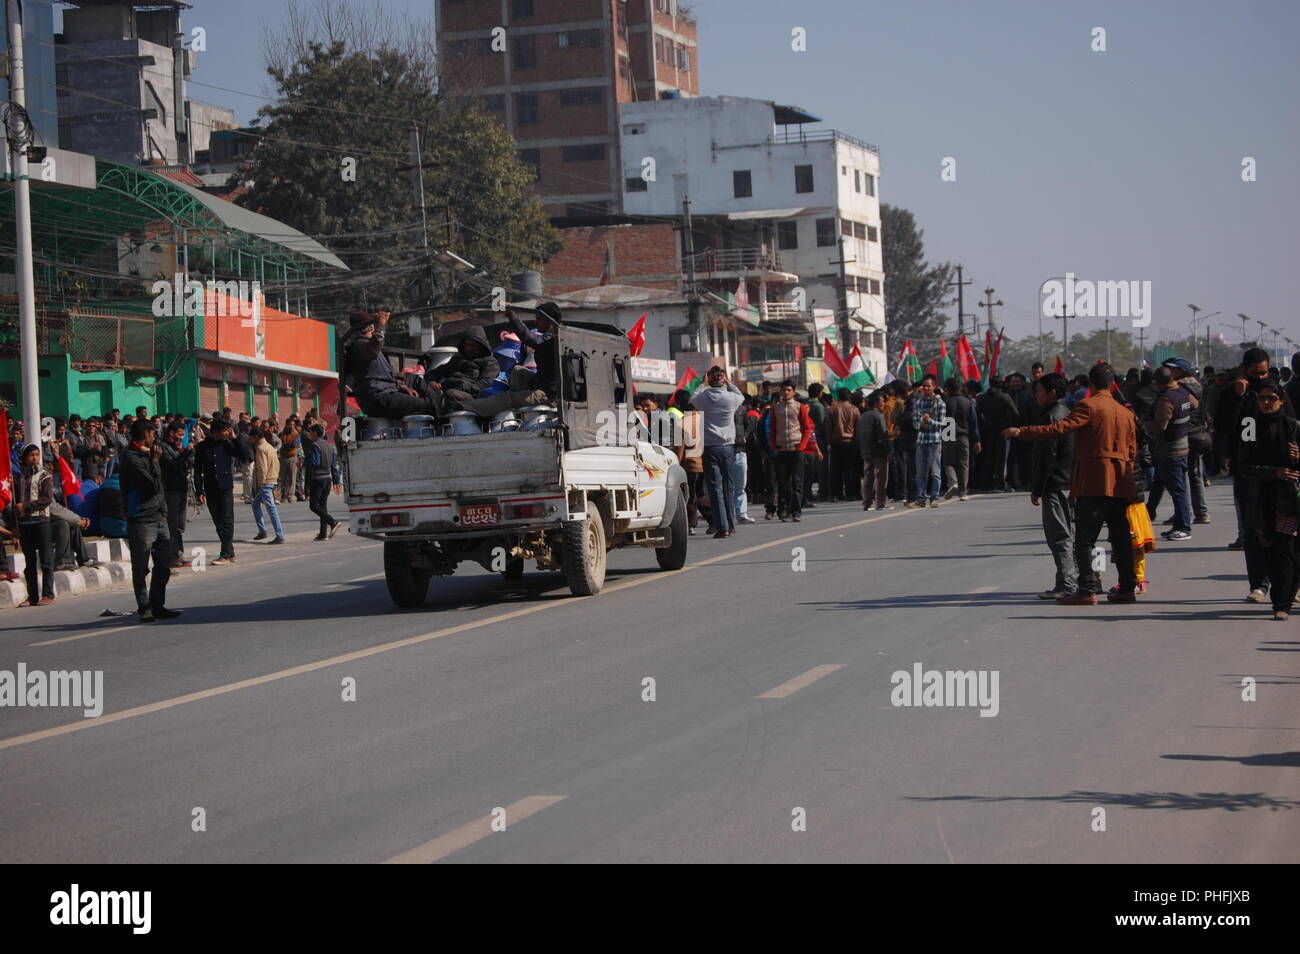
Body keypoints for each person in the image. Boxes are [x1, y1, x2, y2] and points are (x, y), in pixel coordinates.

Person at [1005, 363, 1139, 604]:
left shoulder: (1088, 406)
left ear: (1090, 384)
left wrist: (1021, 432)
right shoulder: (1125, 412)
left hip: (1094, 481)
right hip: (1120, 482)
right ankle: (1127, 588)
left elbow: (1058, 429)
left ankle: (1087, 589)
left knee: (1084, 539)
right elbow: (1132, 450)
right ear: (1112, 384)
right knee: (1120, 537)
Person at [1236, 380, 1300, 619]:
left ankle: (1282, 604)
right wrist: (1275, 472)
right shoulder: (1250, 426)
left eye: (1271, 398)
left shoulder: (1293, 427)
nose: (1266, 402)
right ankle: (1278, 597)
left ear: (1281, 401)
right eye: (1262, 398)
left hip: (1288, 500)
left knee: (1287, 550)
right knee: (1270, 552)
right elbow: (1243, 466)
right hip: (1261, 500)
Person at [119, 420, 179, 621]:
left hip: (159, 515)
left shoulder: (150, 454)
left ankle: (157, 604)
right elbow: (150, 486)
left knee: (163, 564)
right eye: (152, 434)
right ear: (145, 435)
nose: (155, 438)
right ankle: (144, 607)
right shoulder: (131, 459)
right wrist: (154, 461)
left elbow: (165, 480)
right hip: (141, 518)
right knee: (141, 567)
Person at [465, 304, 563, 416]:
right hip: (544, 384)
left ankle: (468, 408)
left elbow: (529, 338)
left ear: (550, 321)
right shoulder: (555, 337)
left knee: (506, 398)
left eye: (539, 319)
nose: (535, 322)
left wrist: (512, 316)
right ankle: (518, 403)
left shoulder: (554, 338)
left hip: (550, 396)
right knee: (517, 370)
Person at [345, 309, 444, 419]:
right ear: (371, 328)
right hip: (379, 397)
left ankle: (440, 402)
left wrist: (403, 387)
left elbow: (388, 376)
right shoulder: (360, 345)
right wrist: (380, 327)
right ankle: (441, 415)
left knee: (414, 379)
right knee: (428, 405)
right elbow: (373, 350)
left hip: (386, 391)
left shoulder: (366, 346)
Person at [1027, 373, 1076, 599]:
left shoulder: (1052, 417)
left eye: (1039, 391)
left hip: (1056, 483)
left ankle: (1067, 584)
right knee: (1070, 534)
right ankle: (1074, 580)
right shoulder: (1067, 413)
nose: (1036, 395)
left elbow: (1047, 457)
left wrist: (1037, 488)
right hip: (1069, 481)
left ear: (1052, 392)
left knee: (1059, 536)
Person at [1143, 365, 1197, 541]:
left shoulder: (1166, 399)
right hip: (1182, 445)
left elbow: (1160, 425)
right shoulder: (1182, 392)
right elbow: (1195, 405)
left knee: (1177, 490)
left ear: (1158, 383)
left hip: (1170, 450)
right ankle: (1177, 524)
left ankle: (1184, 527)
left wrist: (1142, 424)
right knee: (1173, 486)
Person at [691, 366, 745, 538]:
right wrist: (728, 382)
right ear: (724, 379)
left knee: (715, 488)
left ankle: (723, 527)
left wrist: (703, 383)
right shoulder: (731, 398)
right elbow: (741, 395)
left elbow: (693, 397)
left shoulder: (703, 398)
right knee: (729, 486)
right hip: (728, 447)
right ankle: (731, 524)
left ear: (709, 380)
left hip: (710, 447)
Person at [194, 415, 254, 564]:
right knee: (218, 522)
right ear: (215, 431)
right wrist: (199, 491)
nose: (227, 433)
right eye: (224, 431)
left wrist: (235, 439)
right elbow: (197, 471)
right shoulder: (202, 447)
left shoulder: (228, 444)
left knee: (227, 520)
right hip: (210, 488)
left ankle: (225, 554)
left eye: (228, 430)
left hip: (226, 487)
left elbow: (245, 457)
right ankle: (230, 552)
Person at [764, 379, 816, 522]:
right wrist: (774, 446)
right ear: (781, 391)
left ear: (793, 392)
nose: (786, 392)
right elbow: (773, 429)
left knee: (797, 483)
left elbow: (807, 429)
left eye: (789, 390)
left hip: (796, 449)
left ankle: (796, 512)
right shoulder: (775, 409)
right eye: (784, 390)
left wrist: (802, 445)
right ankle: (784, 510)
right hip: (782, 450)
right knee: (783, 483)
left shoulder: (800, 407)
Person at [14, 443, 56, 606]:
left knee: (46, 560)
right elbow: (14, 501)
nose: (35, 458)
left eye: (37, 455)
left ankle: (48, 594)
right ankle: (32, 596)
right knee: (29, 562)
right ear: (24, 458)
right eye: (31, 455)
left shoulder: (44, 476)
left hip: (41, 521)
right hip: (25, 523)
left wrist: (26, 506)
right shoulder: (18, 478)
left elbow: (47, 499)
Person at [423, 325, 500, 406]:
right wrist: (432, 381)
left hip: (472, 397)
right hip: (446, 390)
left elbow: (485, 384)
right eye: (466, 345)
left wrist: (462, 385)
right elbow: (435, 372)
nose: (468, 348)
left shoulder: (490, 362)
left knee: (451, 394)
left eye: (472, 346)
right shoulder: (458, 359)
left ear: (481, 346)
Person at [908, 374, 947, 508]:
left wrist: (929, 421)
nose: (925, 388)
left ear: (934, 386)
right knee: (920, 472)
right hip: (921, 440)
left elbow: (943, 423)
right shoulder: (918, 402)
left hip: (935, 440)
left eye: (928, 386)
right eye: (924, 386)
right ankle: (920, 499)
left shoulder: (940, 403)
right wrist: (919, 424)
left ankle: (935, 497)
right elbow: (915, 421)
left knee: (935, 471)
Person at [159, 420, 192, 568]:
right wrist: (186, 453)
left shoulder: (178, 447)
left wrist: (188, 453)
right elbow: (173, 466)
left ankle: (178, 553)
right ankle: (172, 556)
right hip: (170, 490)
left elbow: (186, 463)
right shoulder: (164, 448)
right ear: (171, 433)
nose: (181, 438)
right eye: (179, 434)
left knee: (179, 525)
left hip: (181, 488)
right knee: (172, 525)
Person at [942, 377, 980, 501]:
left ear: (948, 389)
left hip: (948, 433)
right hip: (963, 435)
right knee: (963, 464)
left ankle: (953, 482)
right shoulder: (968, 402)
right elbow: (973, 423)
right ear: (960, 388)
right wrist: (976, 440)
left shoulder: (945, 402)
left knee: (948, 462)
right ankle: (963, 492)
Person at [303, 423, 342, 540]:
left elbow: (315, 462)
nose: (310, 435)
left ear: (315, 433)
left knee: (313, 506)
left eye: (311, 432)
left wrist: (304, 463)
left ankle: (332, 522)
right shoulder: (329, 446)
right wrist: (336, 481)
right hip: (327, 478)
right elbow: (333, 465)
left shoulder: (315, 445)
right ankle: (323, 533)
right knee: (323, 506)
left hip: (318, 479)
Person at [248, 428, 286, 544]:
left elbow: (262, 468)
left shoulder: (260, 448)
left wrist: (260, 483)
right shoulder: (269, 447)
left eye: (251, 437)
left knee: (271, 508)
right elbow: (277, 463)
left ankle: (280, 535)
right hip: (272, 479)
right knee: (255, 504)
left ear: (256, 436)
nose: (250, 439)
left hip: (266, 481)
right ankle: (262, 530)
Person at [856, 389, 892, 510]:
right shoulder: (878, 415)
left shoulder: (863, 416)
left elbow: (858, 435)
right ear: (876, 403)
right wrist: (888, 450)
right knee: (881, 477)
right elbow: (883, 434)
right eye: (882, 401)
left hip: (865, 450)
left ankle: (867, 503)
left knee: (868, 476)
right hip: (878, 450)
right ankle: (881, 502)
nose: (883, 403)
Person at [825, 388, 860, 501]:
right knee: (850, 468)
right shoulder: (854, 409)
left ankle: (836, 494)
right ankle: (851, 493)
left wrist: (829, 441)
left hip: (836, 443)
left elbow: (828, 427)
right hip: (850, 442)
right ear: (849, 396)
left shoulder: (832, 409)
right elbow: (858, 427)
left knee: (836, 470)